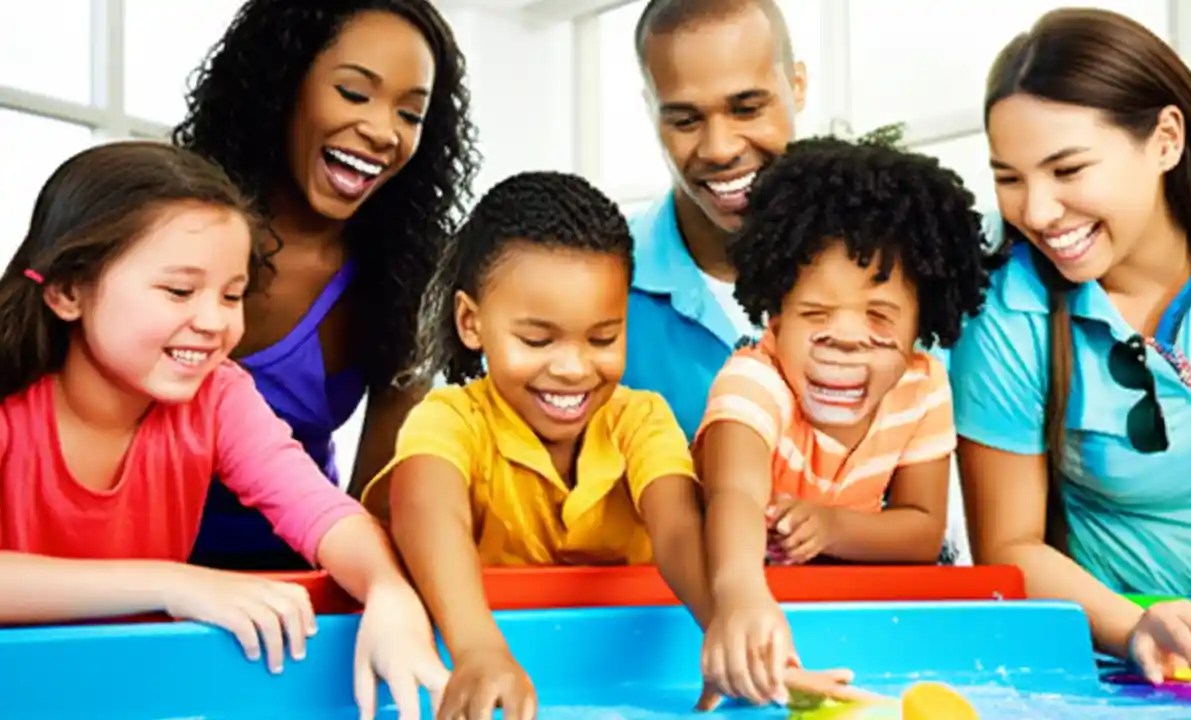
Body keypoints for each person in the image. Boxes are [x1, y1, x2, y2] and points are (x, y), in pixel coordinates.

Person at [0, 142, 448, 719]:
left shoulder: (218, 395)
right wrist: (173, 584)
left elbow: (319, 509)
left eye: (232, 295)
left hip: (123, 691)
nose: (213, 322)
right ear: (67, 291)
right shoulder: (13, 403)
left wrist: (388, 588)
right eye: (179, 291)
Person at [950, 7, 1191, 685]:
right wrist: (1137, 629)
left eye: (1067, 170)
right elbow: (1008, 547)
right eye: (1009, 178)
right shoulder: (1004, 304)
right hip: (1132, 663)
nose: (1036, 212)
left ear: (1165, 139)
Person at [361, 171, 712, 720]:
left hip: (626, 672)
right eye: (537, 340)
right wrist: (477, 647)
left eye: (603, 338)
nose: (572, 368)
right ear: (471, 322)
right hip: (491, 661)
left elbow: (677, 527)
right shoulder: (452, 419)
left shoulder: (641, 419)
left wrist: (723, 621)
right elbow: (425, 510)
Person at [172, 0, 480, 569]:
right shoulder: (163, 224)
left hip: (301, 576)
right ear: (282, 83)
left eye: (411, 115)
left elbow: (379, 498)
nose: (383, 131)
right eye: (354, 93)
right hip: (137, 576)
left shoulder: (404, 276)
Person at [695, 134, 990, 696]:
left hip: (848, 616)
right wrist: (739, 595)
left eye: (880, 317)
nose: (847, 340)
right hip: (732, 601)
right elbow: (732, 494)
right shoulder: (753, 382)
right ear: (774, 314)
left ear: (920, 322)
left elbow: (922, 531)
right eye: (815, 313)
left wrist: (831, 527)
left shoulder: (921, 388)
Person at [624, 0, 806, 440]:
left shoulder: (888, 267)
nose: (720, 149)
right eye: (685, 120)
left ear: (797, 86)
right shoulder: (595, 279)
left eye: (746, 109)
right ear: (652, 113)